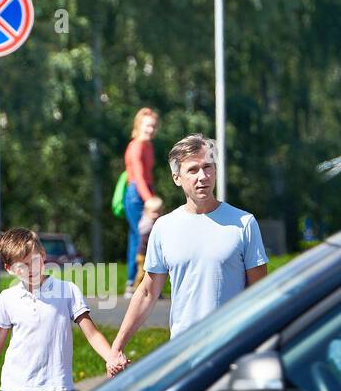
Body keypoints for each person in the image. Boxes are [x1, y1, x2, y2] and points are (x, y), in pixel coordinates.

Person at [108, 134, 268, 375]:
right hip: (183, 355)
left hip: (232, 352)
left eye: (208, 168)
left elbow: (261, 294)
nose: (202, 177)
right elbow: (147, 292)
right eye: (193, 170)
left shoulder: (243, 223)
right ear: (177, 178)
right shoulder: (164, 227)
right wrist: (117, 346)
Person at [0, 228, 120, 391]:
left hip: (57, 387)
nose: (30, 268)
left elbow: (92, 334)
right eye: (21, 265)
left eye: (33, 261)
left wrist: (111, 358)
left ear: (43, 255)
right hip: (14, 389)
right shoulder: (7, 298)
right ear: (9, 269)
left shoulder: (67, 290)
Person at [123, 108, 159, 297]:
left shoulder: (149, 146)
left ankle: (135, 282)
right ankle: (137, 284)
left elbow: (148, 175)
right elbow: (137, 176)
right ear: (139, 125)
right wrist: (149, 200)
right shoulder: (136, 146)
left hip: (145, 191)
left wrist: (152, 195)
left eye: (153, 126)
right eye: (147, 125)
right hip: (136, 194)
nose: (150, 129)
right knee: (143, 238)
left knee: (137, 238)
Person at [133, 195, 164, 293]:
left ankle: (155, 291)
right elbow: (146, 242)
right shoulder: (147, 226)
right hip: (143, 254)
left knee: (157, 274)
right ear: (147, 213)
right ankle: (137, 289)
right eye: (154, 212)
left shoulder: (158, 223)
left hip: (154, 255)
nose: (156, 215)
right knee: (142, 273)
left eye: (159, 212)